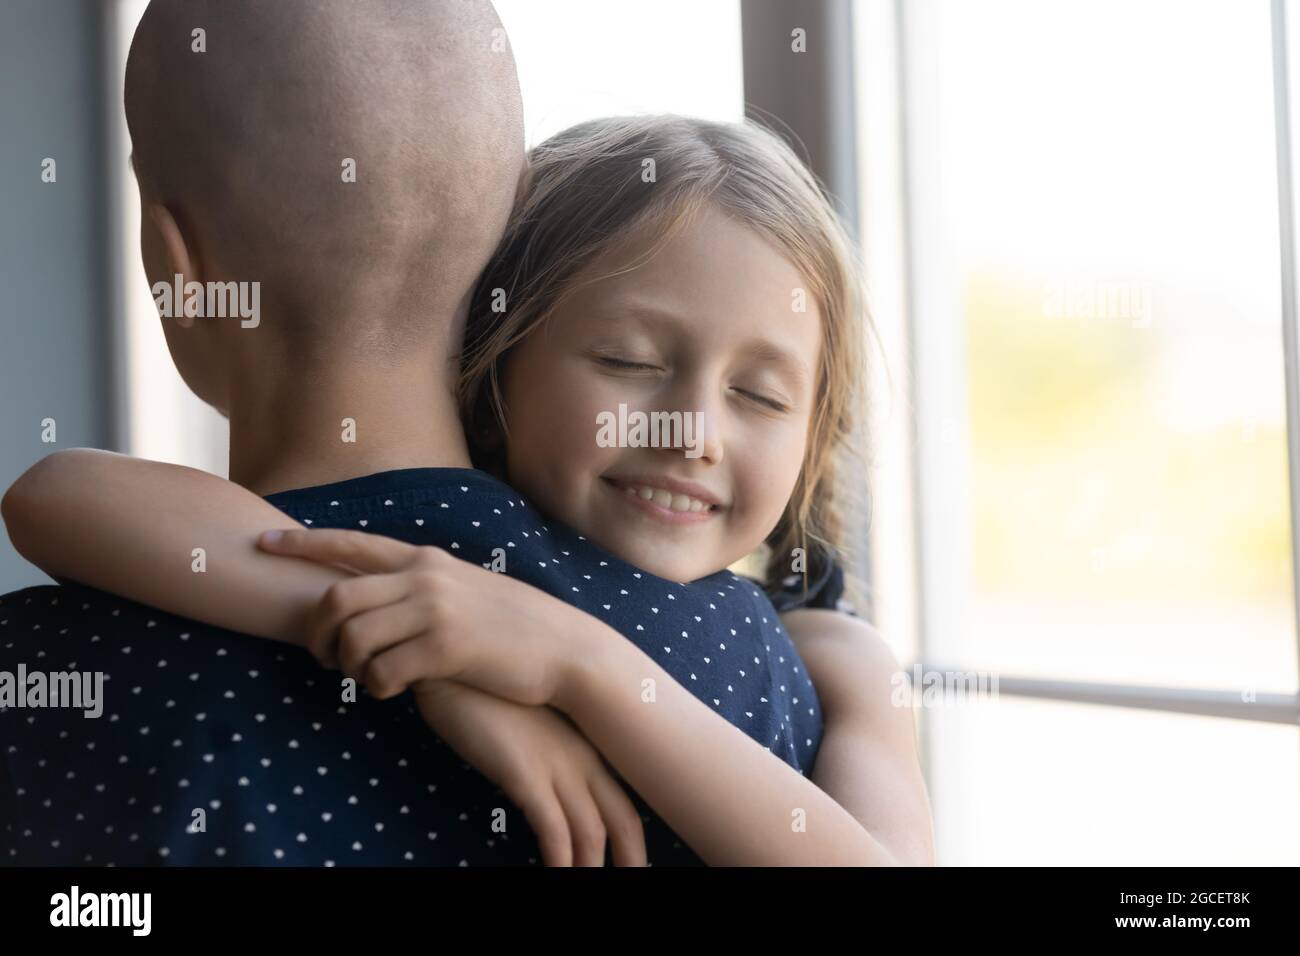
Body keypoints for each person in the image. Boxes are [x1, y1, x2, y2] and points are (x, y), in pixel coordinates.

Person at [2, 2, 934, 866]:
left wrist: (577, 663)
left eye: (763, 398)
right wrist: (426, 663)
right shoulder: (754, 666)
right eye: (627, 361)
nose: (692, 432)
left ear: (175, 263)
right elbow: (55, 495)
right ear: (507, 300)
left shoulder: (44, 681)